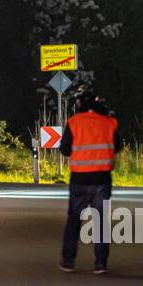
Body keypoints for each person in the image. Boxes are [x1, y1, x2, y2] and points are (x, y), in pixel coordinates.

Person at [58, 86, 122, 274]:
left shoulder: (74, 122)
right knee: (101, 221)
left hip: (79, 178)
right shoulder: (109, 123)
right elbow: (117, 146)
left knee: (74, 219)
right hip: (102, 179)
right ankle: (100, 263)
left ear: (79, 105)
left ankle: (68, 260)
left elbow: (65, 149)